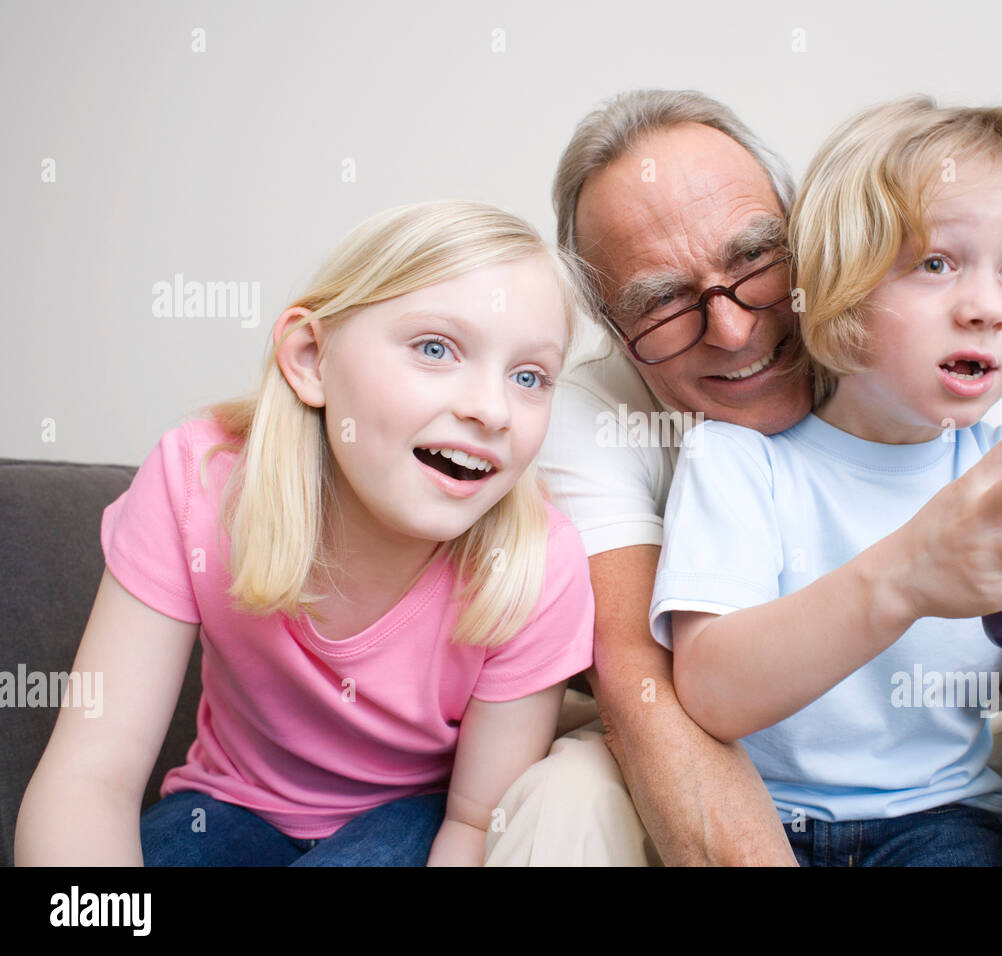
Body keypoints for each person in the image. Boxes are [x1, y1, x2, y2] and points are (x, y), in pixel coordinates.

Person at [485, 89, 1002, 867]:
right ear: (841, 273)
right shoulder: (727, 457)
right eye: (939, 262)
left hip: (941, 822)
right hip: (769, 813)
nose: (984, 304)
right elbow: (696, 691)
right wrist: (909, 574)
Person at [14, 200, 596, 866]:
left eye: (529, 377)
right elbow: (92, 774)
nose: (491, 409)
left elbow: (472, 824)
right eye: (435, 348)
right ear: (311, 358)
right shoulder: (195, 484)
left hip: (416, 817)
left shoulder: (540, 562)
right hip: (227, 809)